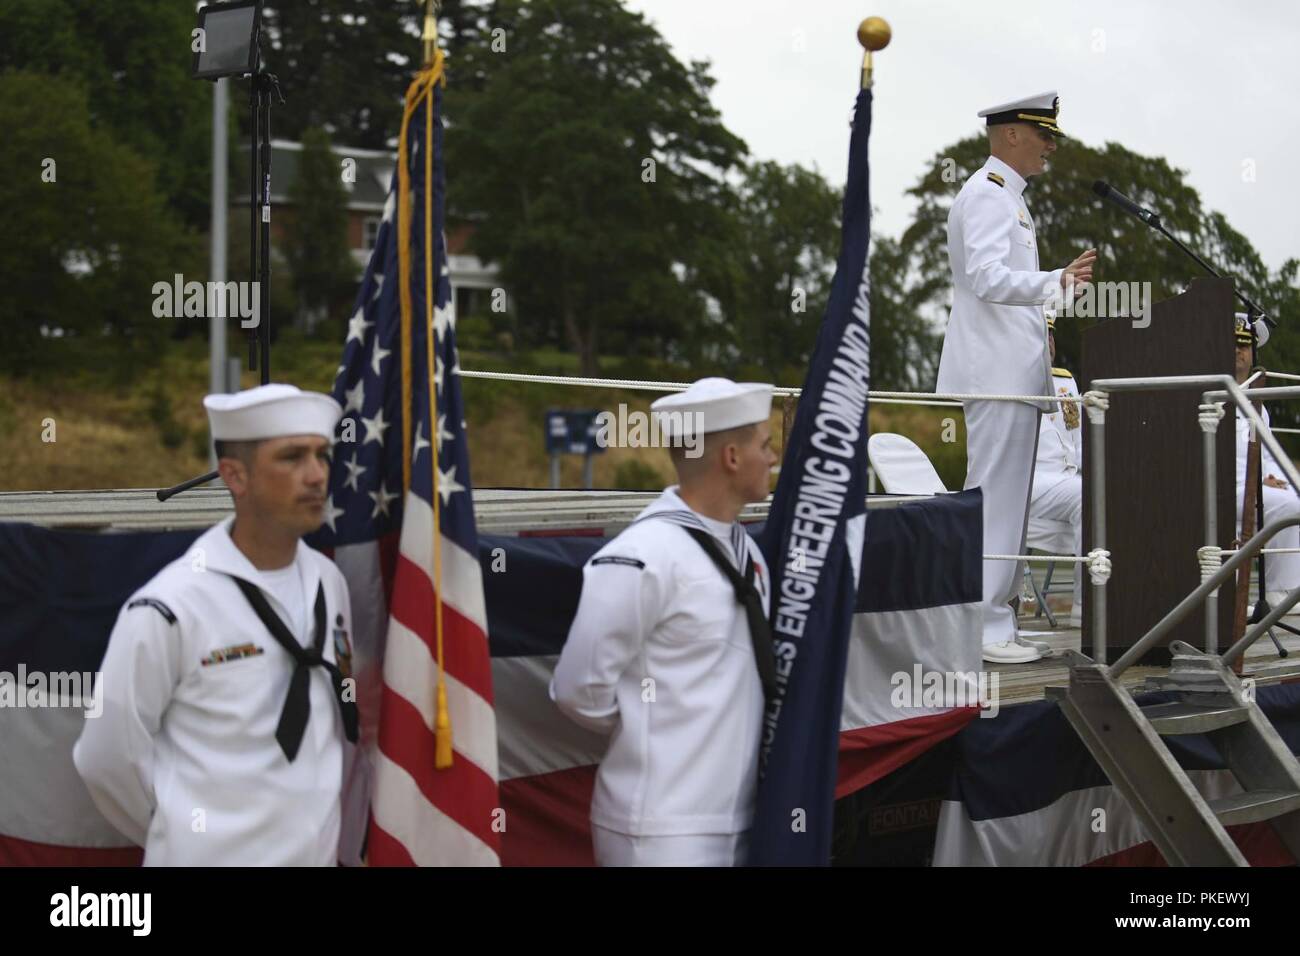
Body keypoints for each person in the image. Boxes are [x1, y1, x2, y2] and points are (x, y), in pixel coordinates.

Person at [74, 383, 357, 866]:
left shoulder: (328, 584)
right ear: (235, 476)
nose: (316, 476)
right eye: (291, 458)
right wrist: (183, 834)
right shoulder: (171, 607)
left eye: (322, 455)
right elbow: (105, 758)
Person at [550, 377, 778, 866]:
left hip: (735, 819)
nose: (774, 458)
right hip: (660, 829)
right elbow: (578, 688)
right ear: (732, 457)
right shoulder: (642, 556)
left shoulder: (748, 556)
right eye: (765, 445)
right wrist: (648, 727)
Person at [935, 90, 1096, 664]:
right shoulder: (987, 194)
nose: (1051, 146)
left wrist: (1056, 290)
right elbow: (983, 276)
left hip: (1011, 375)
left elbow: (1006, 286)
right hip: (993, 375)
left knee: (1009, 505)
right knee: (996, 503)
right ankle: (983, 628)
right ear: (1009, 135)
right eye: (1043, 134)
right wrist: (1052, 279)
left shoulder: (1012, 201)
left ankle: (996, 623)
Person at [1233, 314, 1300, 609]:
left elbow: (1269, 455)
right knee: (1289, 506)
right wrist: (1259, 481)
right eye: (1233, 344)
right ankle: (1279, 591)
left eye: (1245, 346)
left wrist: (1275, 477)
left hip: (1250, 487)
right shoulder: (1211, 394)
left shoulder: (1257, 404)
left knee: (1292, 494)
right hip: (1225, 486)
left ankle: (1285, 591)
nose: (1239, 351)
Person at [1029, 316, 1083, 627]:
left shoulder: (1065, 381)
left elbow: (1080, 439)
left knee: (1108, 489)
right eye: (1040, 333)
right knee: (1086, 496)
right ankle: (1085, 604)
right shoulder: (1009, 379)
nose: (1048, 341)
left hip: (1066, 479)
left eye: (1051, 333)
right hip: (1030, 480)